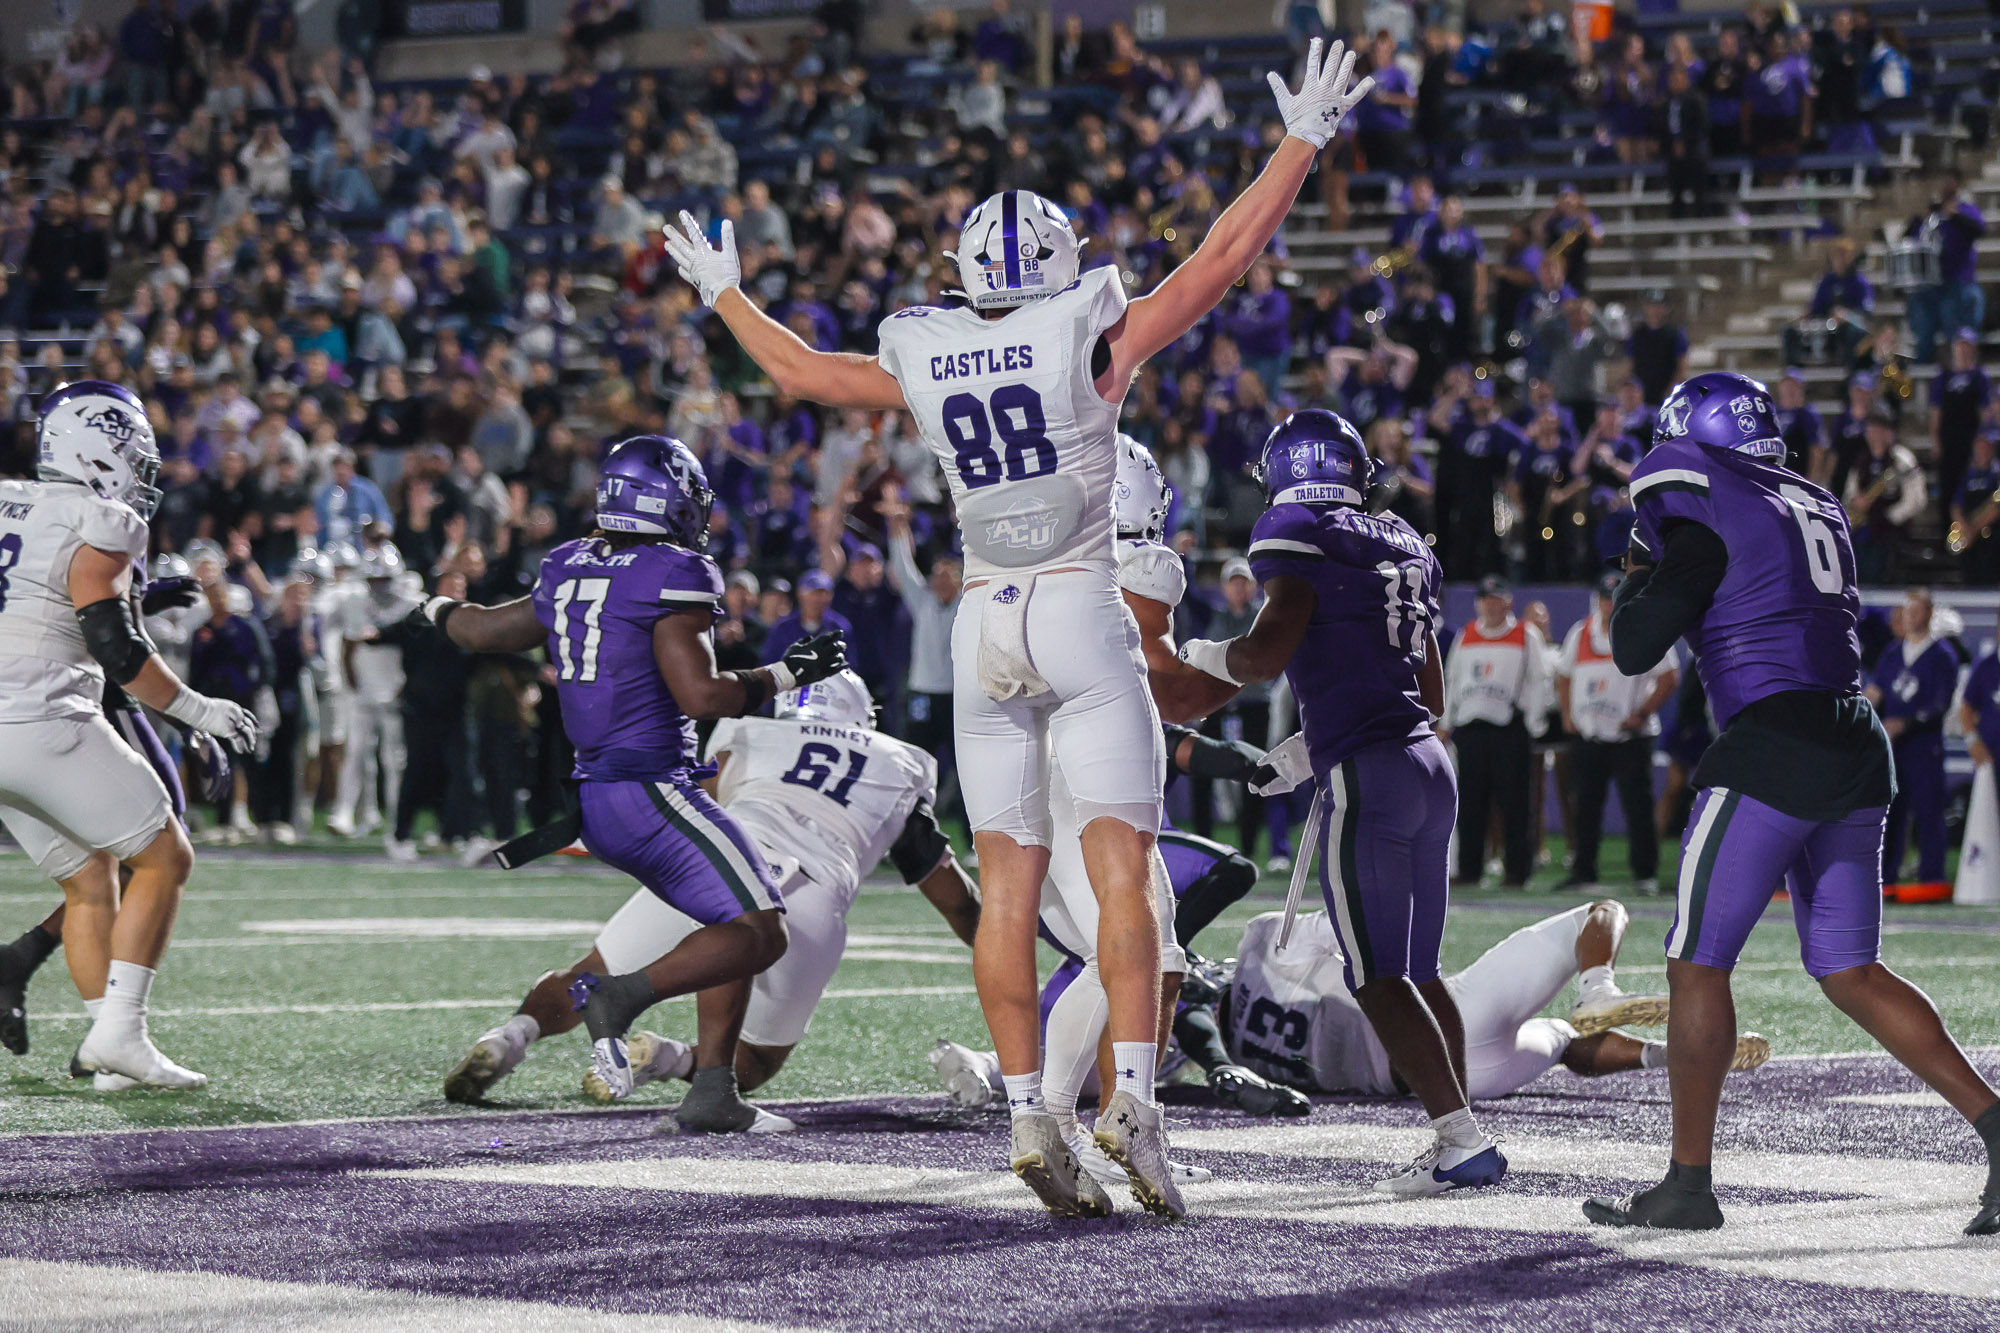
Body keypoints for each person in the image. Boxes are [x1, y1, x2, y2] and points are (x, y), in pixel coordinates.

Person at [662, 39, 1375, 1219]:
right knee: (1124, 876)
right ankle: (1133, 1109)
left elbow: (797, 373)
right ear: (1059, 263)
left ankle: (1024, 1111)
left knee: (1005, 886)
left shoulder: (926, 345)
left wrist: (723, 292)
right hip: (1079, 608)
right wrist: (1299, 141)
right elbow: (1221, 259)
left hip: (979, 618)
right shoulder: (1086, 331)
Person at [1585, 370, 2000, 1237]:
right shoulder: (1810, 497)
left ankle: (1688, 1185)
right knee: (1849, 970)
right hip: (1854, 737)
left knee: (1697, 963)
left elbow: (1632, 646)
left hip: (1773, 744)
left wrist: (1637, 570)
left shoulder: (1695, 493)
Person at [406, 436, 849, 1134]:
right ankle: (617, 999)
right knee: (762, 931)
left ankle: (711, 1091)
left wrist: (430, 608)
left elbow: (483, 630)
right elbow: (702, 696)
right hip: (652, 791)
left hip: (596, 799)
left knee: (730, 916)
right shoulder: (673, 570)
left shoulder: (568, 564)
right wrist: (787, 674)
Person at [1163, 408, 1508, 1198]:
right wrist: (1301, 751)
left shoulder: (1295, 526)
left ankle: (1460, 1140)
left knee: (1377, 977)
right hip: (1428, 761)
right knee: (1418, 971)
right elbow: (1426, 686)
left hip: (1371, 774)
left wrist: (1196, 654)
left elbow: (1266, 650)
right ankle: (1464, 1130)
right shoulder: (1406, 539)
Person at [445, 670, 980, 1106]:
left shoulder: (751, 731)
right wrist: (1000, 942)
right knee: (753, 1064)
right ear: (862, 718)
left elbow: (696, 811)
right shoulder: (898, 762)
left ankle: (509, 1037)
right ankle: (672, 1059)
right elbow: (955, 901)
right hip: (811, 899)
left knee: (587, 971)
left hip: (724, 865)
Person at [0, 382, 258, 1088]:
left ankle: (107, 1050)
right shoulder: (99, 516)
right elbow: (113, 645)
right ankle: (121, 1034)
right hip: (42, 716)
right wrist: (200, 711)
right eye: (133, 451)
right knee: (165, 856)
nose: (141, 468)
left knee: (88, 877)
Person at [1223, 900, 1768, 1098]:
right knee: (1599, 912)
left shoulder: (1242, 1054)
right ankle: (1599, 986)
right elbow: (1362, 924)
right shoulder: (1262, 938)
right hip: (1448, 1021)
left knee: (1561, 1038)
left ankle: (1672, 1054)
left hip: (1449, 1083)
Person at [1557, 571, 1677, 893]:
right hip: (1589, 734)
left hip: (1630, 737)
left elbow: (1669, 676)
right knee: (1585, 806)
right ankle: (1584, 871)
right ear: (1596, 599)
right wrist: (1568, 716)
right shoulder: (1580, 632)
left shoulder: (1642, 627)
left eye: (1614, 598)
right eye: (1604, 598)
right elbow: (1564, 675)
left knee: (1637, 807)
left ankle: (1645, 874)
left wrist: (1642, 713)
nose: (1609, 605)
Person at [1441, 575, 1551, 886]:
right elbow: (1453, 680)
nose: (1490, 606)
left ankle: (1517, 870)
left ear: (1507, 602)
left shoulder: (1524, 634)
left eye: (1495, 599)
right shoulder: (1467, 635)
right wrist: (1447, 722)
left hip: (1509, 727)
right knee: (1472, 802)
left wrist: (1533, 723)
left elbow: (1538, 680)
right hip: (1471, 728)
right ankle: (1470, 869)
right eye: (1485, 600)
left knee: (1515, 801)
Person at [1866, 589, 1957, 885]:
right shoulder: (1894, 652)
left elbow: (1941, 702)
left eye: (1916, 611)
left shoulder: (1941, 655)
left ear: (1929, 613)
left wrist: (1906, 722)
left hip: (1923, 745)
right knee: (1892, 811)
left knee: (1928, 810)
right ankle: (1887, 877)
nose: (1910, 617)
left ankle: (1932, 876)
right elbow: (1875, 691)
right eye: (1907, 611)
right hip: (1893, 748)